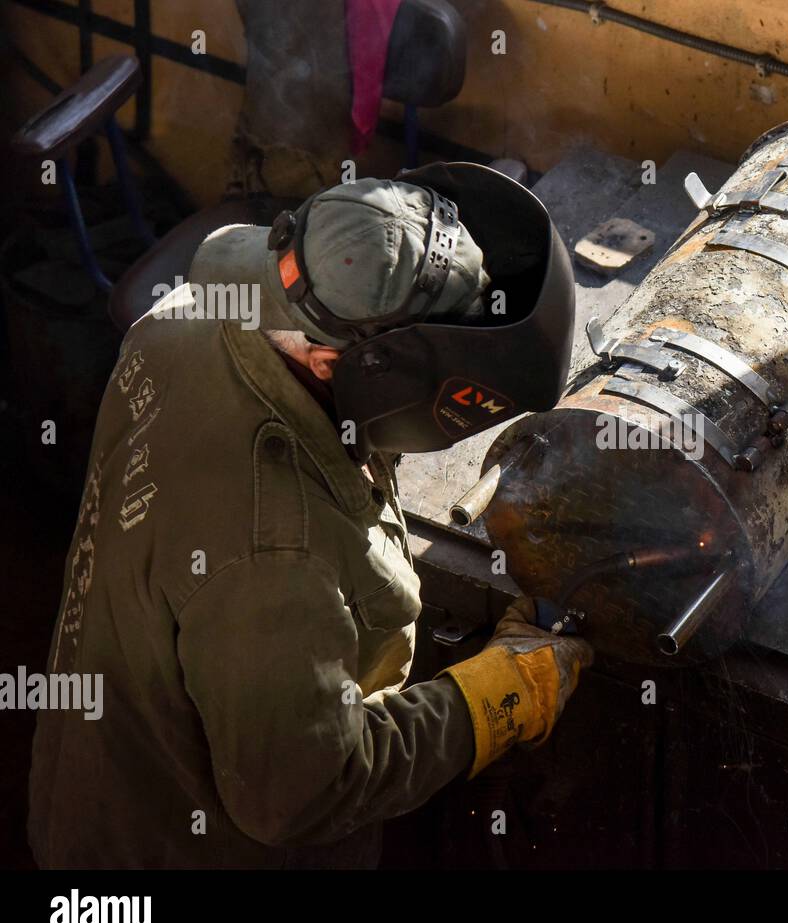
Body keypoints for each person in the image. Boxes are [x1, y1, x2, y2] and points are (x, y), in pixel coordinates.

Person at [27, 173, 591, 867]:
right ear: (331, 363)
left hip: (101, 773)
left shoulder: (185, 317)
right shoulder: (276, 558)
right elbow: (304, 793)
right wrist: (497, 696)